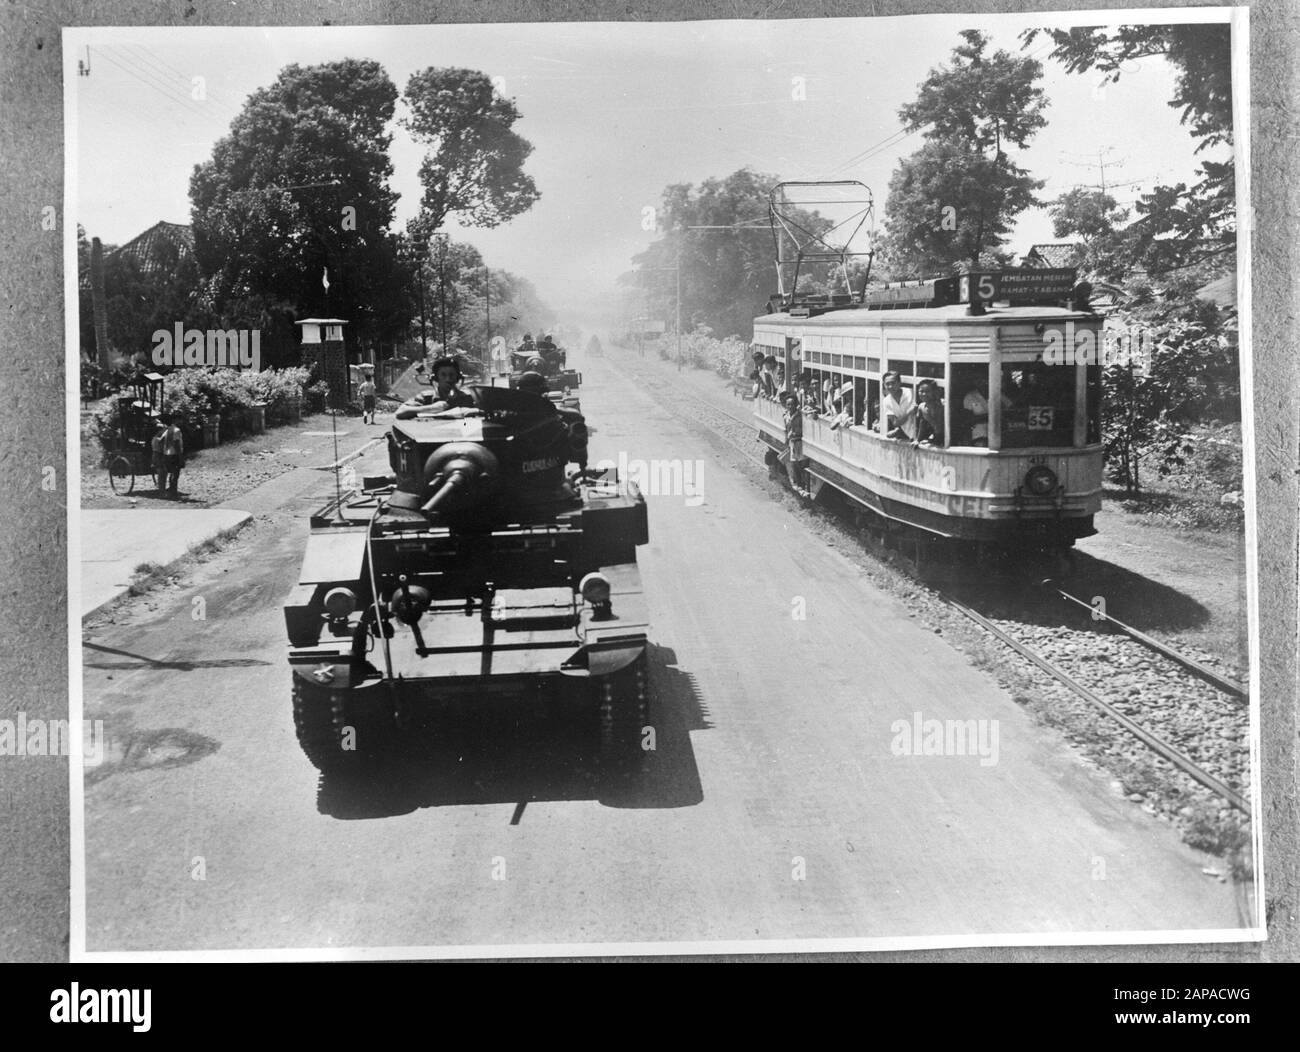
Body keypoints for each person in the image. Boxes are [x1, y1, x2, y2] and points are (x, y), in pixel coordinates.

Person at [962, 376, 1011, 446]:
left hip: (998, 433)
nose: (981, 382)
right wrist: (992, 415)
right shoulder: (970, 396)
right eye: (977, 380)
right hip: (979, 435)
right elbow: (968, 419)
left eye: (984, 379)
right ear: (974, 382)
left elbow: (1011, 410)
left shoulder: (997, 394)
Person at [880, 371, 916, 440]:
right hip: (906, 434)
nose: (890, 386)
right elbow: (895, 423)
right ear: (884, 385)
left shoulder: (911, 392)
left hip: (919, 435)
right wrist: (909, 412)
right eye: (887, 384)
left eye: (893, 383)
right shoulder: (886, 401)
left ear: (899, 383)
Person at [156, 412, 184, 498]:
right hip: (174, 454)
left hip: (166, 454)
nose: (181, 421)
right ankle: (173, 492)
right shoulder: (177, 430)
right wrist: (180, 457)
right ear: (176, 420)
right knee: (175, 474)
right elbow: (176, 444)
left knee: (171, 473)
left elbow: (160, 441)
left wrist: (163, 450)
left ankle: (171, 491)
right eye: (180, 420)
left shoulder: (168, 430)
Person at [914, 379, 945, 447]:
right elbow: (922, 425)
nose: (924, 394)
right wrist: (918, 440)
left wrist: (929, 417)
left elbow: (939, 429)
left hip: (944, 439)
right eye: (921, 391)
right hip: (934, 437)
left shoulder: (942, 405)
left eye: (928, 391)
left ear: (934, 392)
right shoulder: (922, 406)